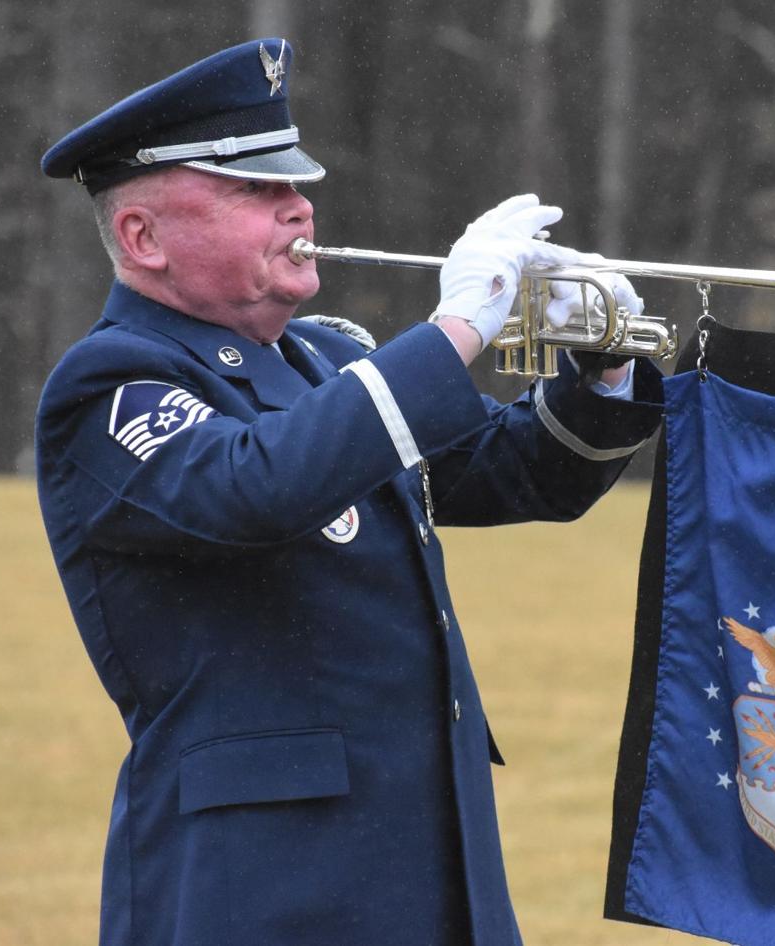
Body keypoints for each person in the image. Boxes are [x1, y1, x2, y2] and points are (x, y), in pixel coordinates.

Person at [36, 38, 663, 946]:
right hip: (263, 886)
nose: (298, 205)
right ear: (144, 238)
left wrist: (603, 366)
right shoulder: (111, 383)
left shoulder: (330, 359)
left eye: (295, 182)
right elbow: (258, 485)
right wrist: (457, 328)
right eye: (254, 190)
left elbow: (520, 472)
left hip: (432, 858)